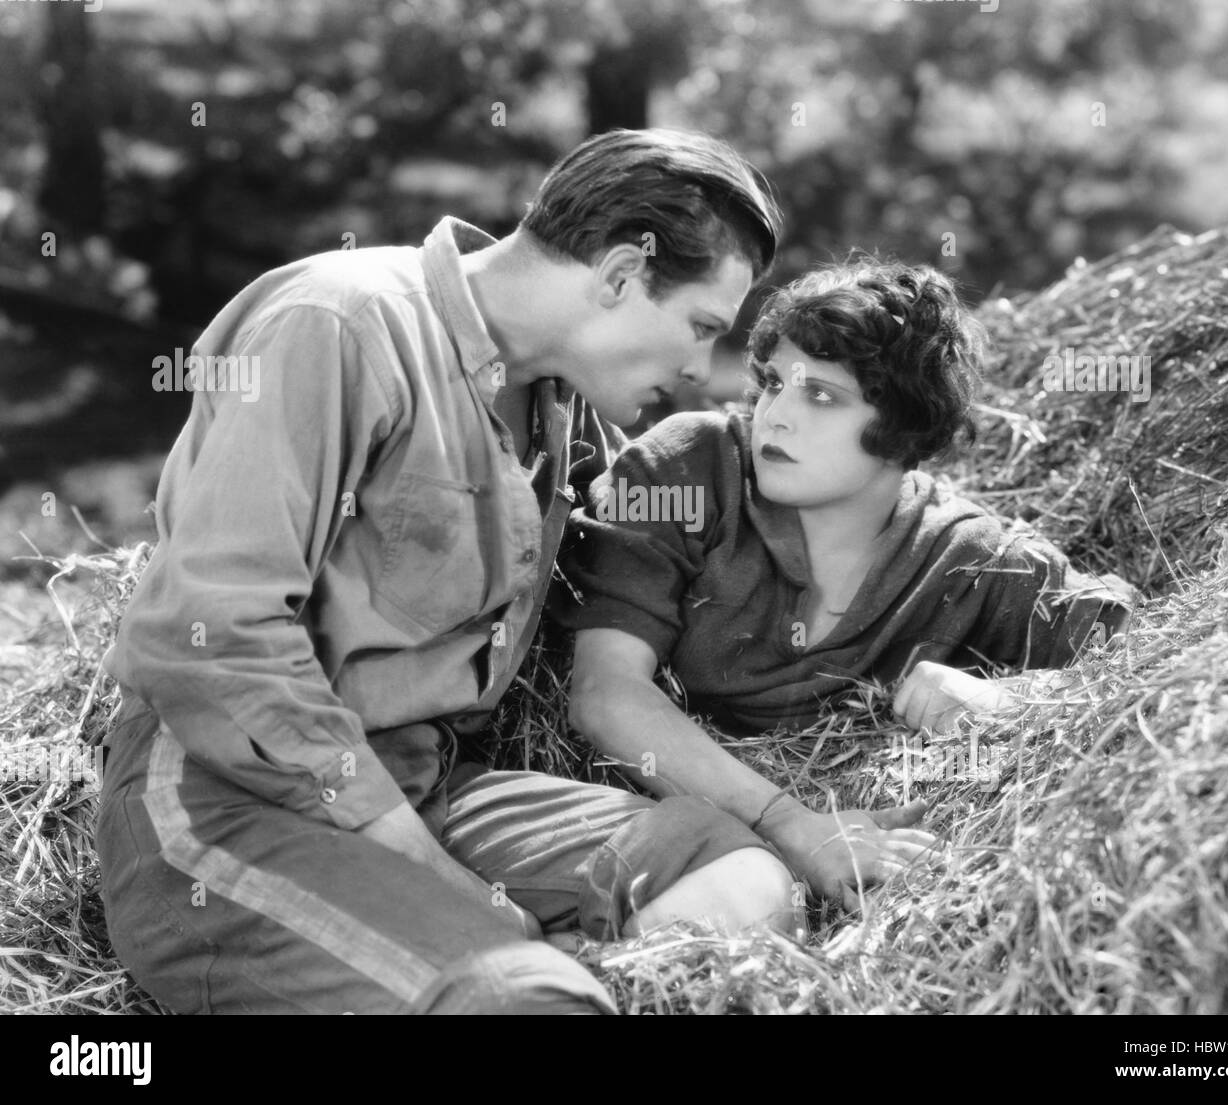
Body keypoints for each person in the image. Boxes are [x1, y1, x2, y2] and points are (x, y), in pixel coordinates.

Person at [96, 128, 818, 1015]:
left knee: (741, 873)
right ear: (622, 274)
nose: (699, 369)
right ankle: (535, 981)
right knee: (516, 999)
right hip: (232, 803)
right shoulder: (338, 325)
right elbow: (208, 639)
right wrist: (444, 883)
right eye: (703, 327)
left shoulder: (556, 400)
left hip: (423, 788)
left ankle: (559, 979)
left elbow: (684, 537)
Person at [556, 257, 1136, 912]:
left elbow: (1158, 659)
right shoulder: (692, 469)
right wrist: (792, 825)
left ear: (904, 427)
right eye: (773, 383)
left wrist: (1007, 698)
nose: (774, 416)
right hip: (643, 827)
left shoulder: (974, 558)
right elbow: (605, 693)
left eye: (823, 396)